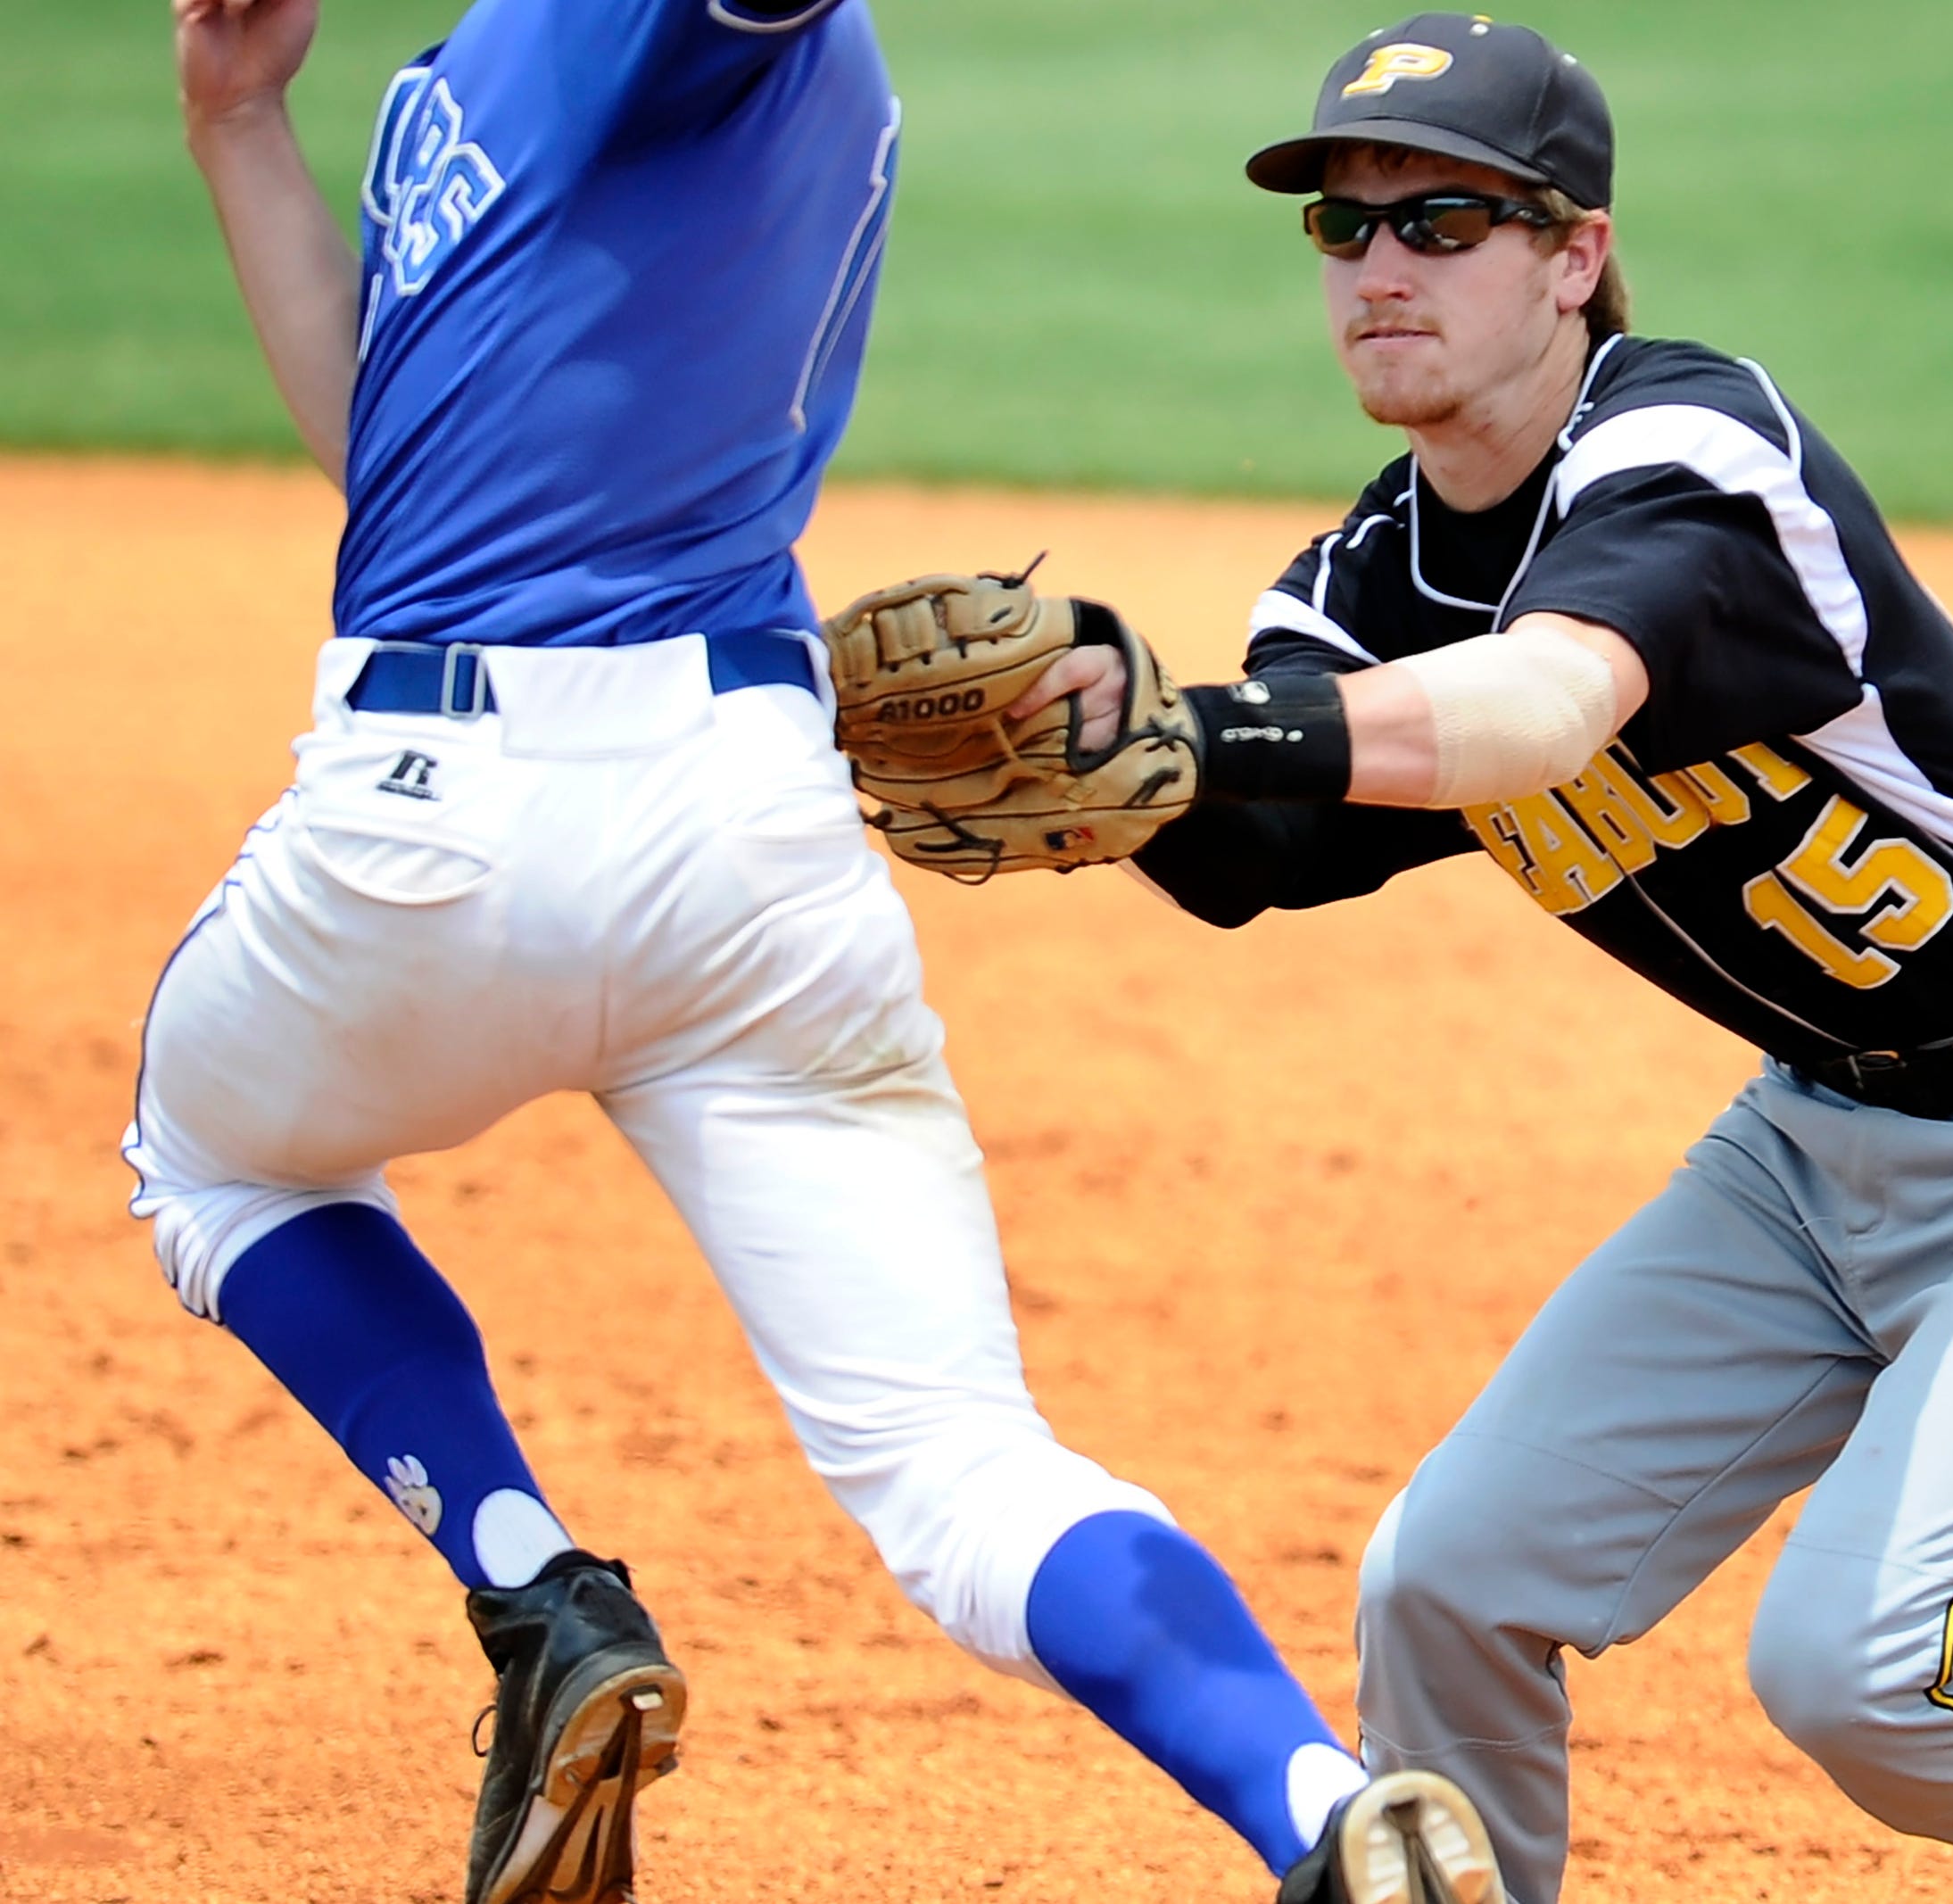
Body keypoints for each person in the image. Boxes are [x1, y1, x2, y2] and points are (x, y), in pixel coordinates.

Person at [1012, 15, 1953, 1903]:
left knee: (1863, 1671)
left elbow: (1540, 705)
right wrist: (1102, 764)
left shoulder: (1688, 445)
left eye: (1440, 221)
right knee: (1446, 1575)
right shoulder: (1361, 578)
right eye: (1341, 234)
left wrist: (1220, 732)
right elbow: (1262, 847)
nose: (1380, 271)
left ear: (1572, 253)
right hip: (1805, 1152)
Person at [130, 6, 1508, 1904]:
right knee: (959, 1464)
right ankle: (1321, 1807)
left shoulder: (649, 28)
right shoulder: (474, 63)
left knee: (210, 1153)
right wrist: (240, 120)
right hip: (746, 841)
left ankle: (539, 1591)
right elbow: (390, 445)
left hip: (431, 823)